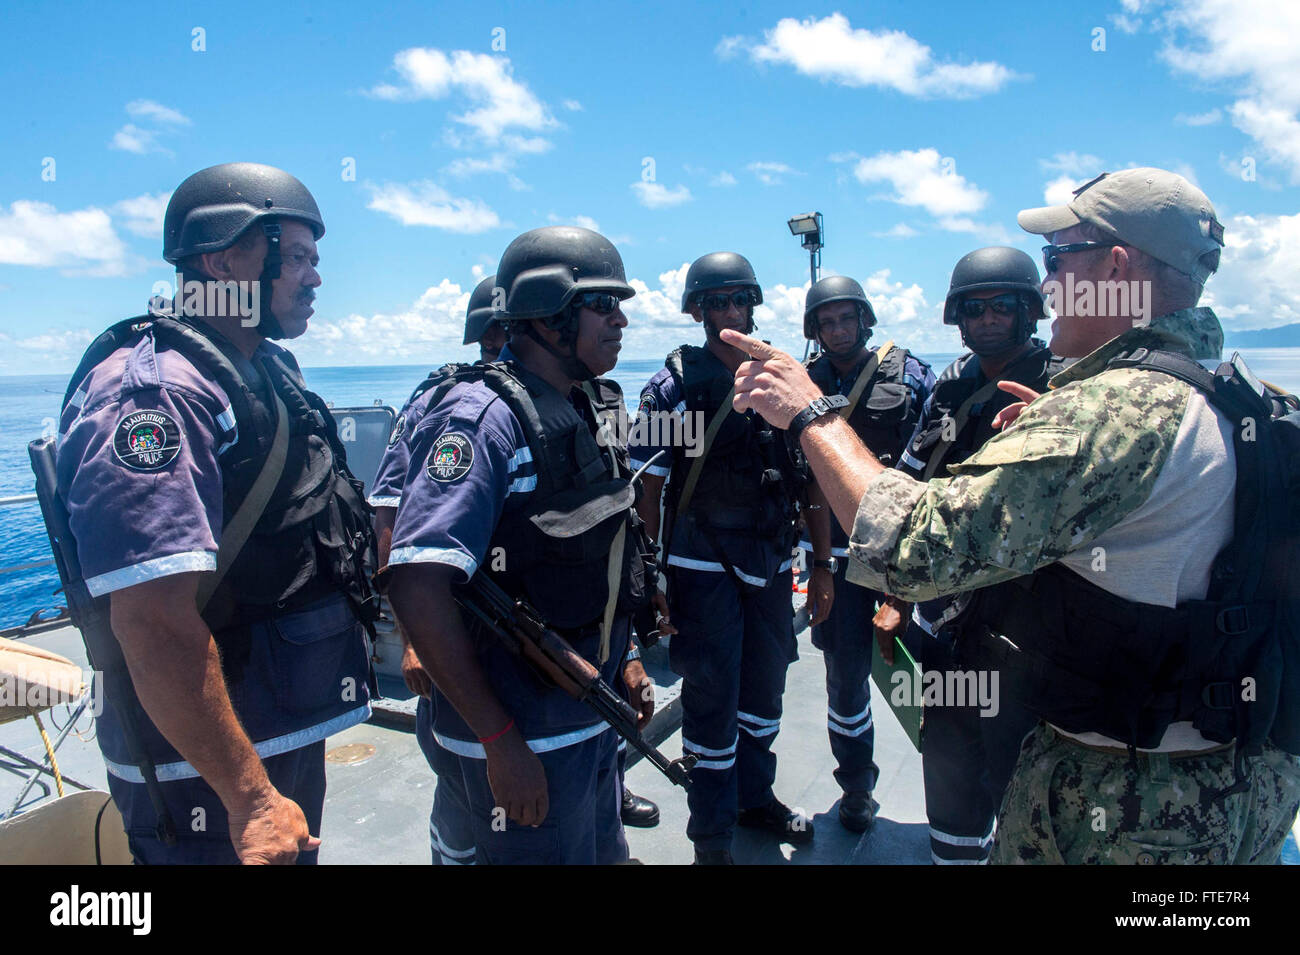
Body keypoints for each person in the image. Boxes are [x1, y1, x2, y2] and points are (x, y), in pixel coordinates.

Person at [722, 167, 1300, 864]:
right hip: (1249, 794)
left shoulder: (1114, 414)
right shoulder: (1254, 400)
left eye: (1060, 260)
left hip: (1130, 815)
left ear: (1115, 268)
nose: (1051, 285)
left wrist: (809, 411)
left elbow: (912, 545)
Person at [54, 162, 376, 864]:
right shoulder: (157, 394)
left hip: (271, 731)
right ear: (224, 257)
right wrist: (251, 797)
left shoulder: (261, 369)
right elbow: (151, 619)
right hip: (203, 775)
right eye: (294, 258)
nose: (314, 278)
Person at [383, 226, 656, 864]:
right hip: (526, 736)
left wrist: (630, 658)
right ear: (551, 314)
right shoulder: (482, 420)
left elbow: (601, 555)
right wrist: (500, 740)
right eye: (603, 305)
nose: (620, 321)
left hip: (588, 716)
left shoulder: (577, 407)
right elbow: (418, 582)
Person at [872, 247, 1064, 864]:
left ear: (1028, 311)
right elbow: (910, 492)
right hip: (947, 628)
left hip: (1032, 638)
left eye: (1001, 306)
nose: (986, 319)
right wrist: (893, 595)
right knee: (951, 785)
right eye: (973, 308)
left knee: (1027, 797)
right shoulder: (949, 388)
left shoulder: (1068, 383)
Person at [631, 251, 811, 865]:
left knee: (765, 689)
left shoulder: (782, 377)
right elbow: (647, 485)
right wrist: (650, 573)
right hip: (702, 565)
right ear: (697, 311)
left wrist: (823, 563)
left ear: (754, 305)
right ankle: (711, 839)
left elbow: (806, 471)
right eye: (716, 302)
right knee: (711, 700)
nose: (730, 311)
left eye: (739, 299)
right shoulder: (676, 385)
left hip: (769, 560)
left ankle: (754, 799)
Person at [798, 274, 934, 832]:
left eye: (845, 318)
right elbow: (806, 486)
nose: (836, 330)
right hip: (840, 560)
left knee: (931, 677)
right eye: (825, 322)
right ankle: (857, 786)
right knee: (845, 678)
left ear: (865, 318)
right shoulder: (805, 384)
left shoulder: (913, 376)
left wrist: (900, 588)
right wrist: (821, 570)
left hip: (911, 558)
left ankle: (960, 792)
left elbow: (935, 467)